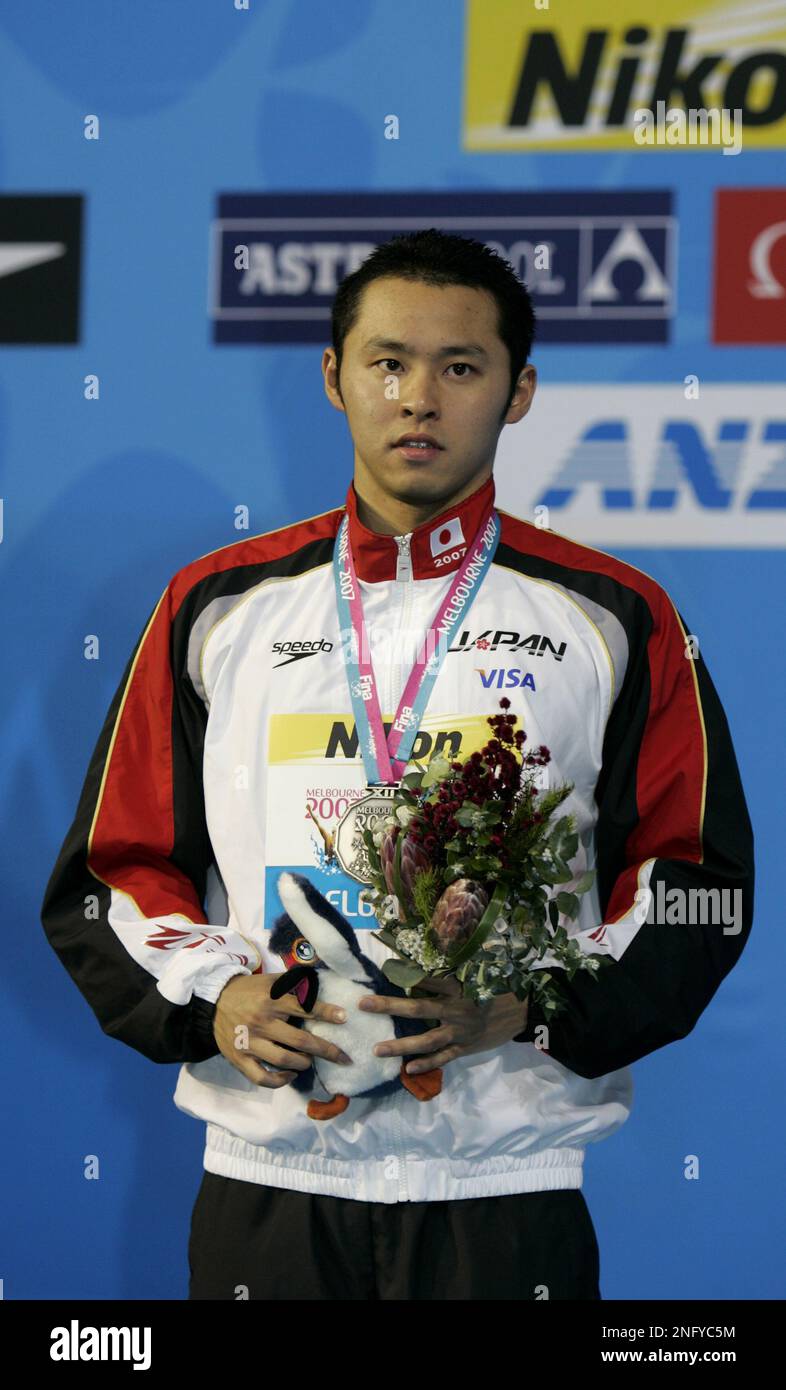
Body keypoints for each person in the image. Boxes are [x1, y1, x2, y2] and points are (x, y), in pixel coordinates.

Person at [40, 229, 755, 1301]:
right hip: (269, 1178)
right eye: (387, 362)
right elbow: (111, 871)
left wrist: (528, 1008)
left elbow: (696, 884)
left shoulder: (618, 615)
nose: (419, 396)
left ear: (519, 391)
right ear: (334, 378)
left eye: (461, 366)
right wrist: (219, 1000)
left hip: (506, 1182)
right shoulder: (215, 605)